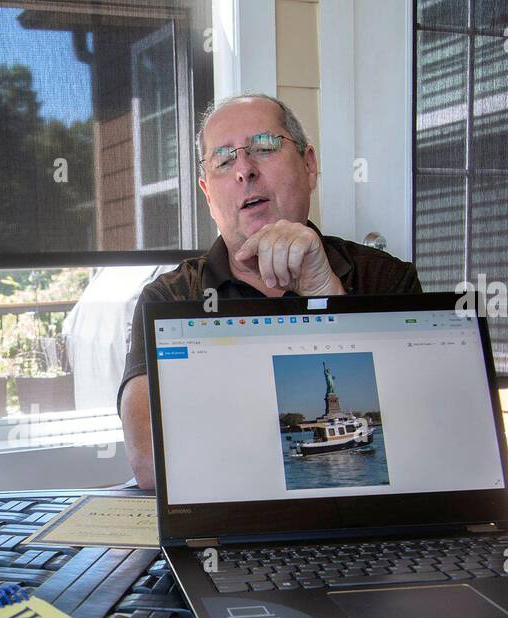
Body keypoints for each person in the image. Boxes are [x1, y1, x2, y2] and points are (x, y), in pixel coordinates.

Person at [118, 94, 423, 489]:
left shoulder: (386, 280)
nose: (244, 169)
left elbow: (419, 437)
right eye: (224, 160)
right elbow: (148, 461)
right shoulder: (169, 298)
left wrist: (325, 294)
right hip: (225, 532)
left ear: (309, 165)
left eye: (265, 147)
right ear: (208, 194)